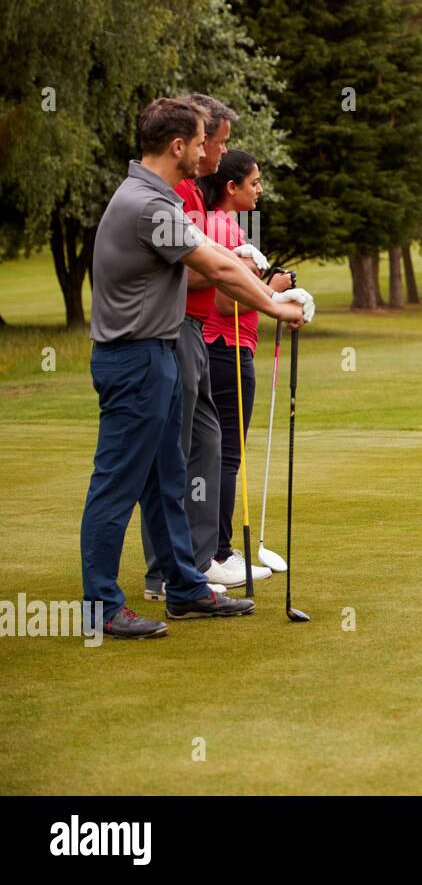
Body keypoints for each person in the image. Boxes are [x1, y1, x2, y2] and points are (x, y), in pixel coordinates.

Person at [81, 97, 313, 639]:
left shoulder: (156, 198)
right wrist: (277, 306)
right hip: (134, 359)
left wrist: (266, 285)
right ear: (178, 146)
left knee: (168, 481)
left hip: (156, 353)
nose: (212, 149)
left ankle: (184, 589)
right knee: (117, 483)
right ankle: (100, 606)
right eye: (204, 139)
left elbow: (224, 256)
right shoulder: (148, 207)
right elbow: (212, 266)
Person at [139, 93, 273, 598]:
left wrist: (236, 268)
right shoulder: (177, 199)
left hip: (186, 334)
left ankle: (186, 566)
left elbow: (204, 267)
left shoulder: (186, 197)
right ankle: (185, 567)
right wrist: (263, 290)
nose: (209, 154)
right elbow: (202, 278)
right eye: (210, 143)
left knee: (197, 447)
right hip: (180, 335)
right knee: (177, 454)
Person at [197, 150, 295, 571]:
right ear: (231, 187)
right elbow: (223, 300)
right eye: (253, 182)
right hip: (226, 347)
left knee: (214, 454)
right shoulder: (224, 227)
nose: (259, 189)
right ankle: (219, 552)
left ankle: (215, 551)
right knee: (225, 456)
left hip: (222, 348)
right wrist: (273, 289)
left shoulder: (222, 225)